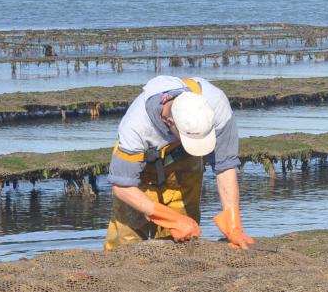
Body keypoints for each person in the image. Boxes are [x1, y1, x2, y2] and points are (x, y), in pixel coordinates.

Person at [103, 75, 253, 251]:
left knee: (183, 237)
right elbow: (122, 186)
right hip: (140, 168)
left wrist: (233, 223)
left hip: (184, 162)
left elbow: (225, 166)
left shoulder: (216, 103)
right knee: (126, 239)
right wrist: (170, 219)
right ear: (169, 121)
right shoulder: (135, 126)